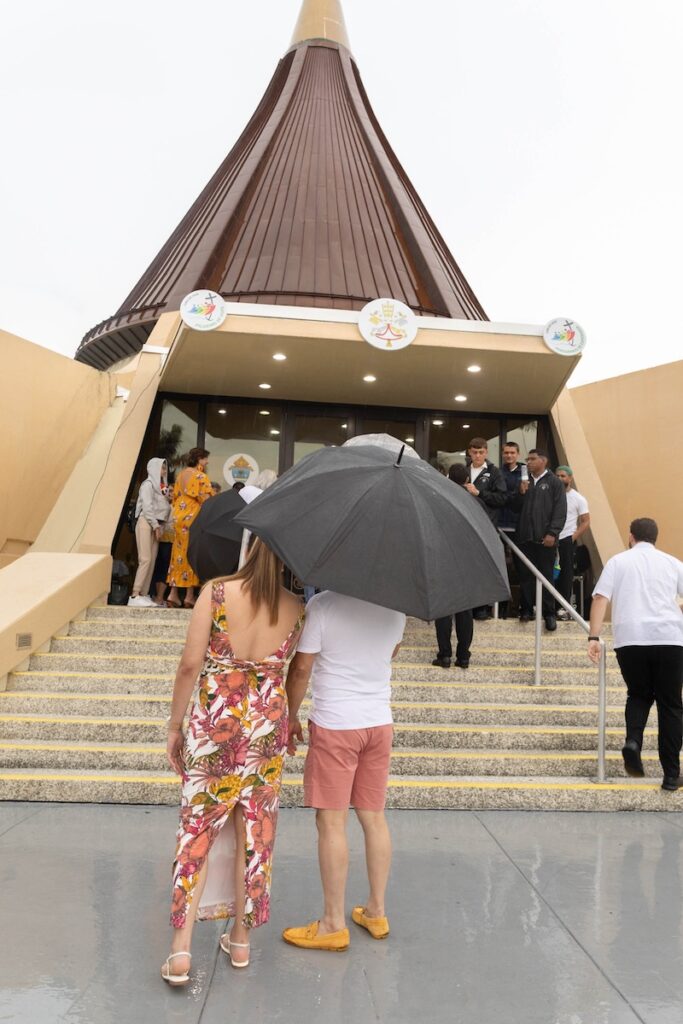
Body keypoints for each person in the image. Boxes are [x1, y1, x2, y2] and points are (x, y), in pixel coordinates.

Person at [161, 539, 304, 986]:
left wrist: (174, 724)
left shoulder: (217, 592)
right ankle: (240, 941)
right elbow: (297, 671)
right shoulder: (298, 607)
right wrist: (292, 717)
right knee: (254, 833)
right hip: (266, 722)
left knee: (197, 831)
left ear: (250, 547)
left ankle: (181, 952)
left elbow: (189, 665)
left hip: (215, 719)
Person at [282, 592, 406, 951]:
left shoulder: (323, 605)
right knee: (374, 818)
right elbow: (390, 653)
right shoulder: (396, 608)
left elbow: (302, 667)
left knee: (332, 823)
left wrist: (290, 715)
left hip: (337, 723)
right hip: (379, 723)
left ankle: (333, 923)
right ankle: (376, 910)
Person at [588, 518, 683, 791]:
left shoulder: (618, 562)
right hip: (669, 638)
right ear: (656, 537)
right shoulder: (671, 563)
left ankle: (633, 742)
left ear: (631, 537)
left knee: (639, 694)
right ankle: (670, 775)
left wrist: (594, 637)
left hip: (630, 640)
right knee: (670, 705)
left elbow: (600, 598)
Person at [515, 449, 567, 631]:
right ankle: (526, 609)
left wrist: (552, 533)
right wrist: (520, 494)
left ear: (543, 461)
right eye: (527, 459)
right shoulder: (524, 481)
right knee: (525, 575)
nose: (528, 462)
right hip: (525, 538)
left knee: (546, 575)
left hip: (545, 540)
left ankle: (549, 613)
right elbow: (515, 507)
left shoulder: (554, 483)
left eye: (532, 459)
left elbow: (560, 511)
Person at [433, 463, 474, 669]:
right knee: (465, 612)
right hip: (467, 563)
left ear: (448, 478)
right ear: (467, 480)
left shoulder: (441, 499)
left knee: (444, 609)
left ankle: (445, 654)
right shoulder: (473, 502)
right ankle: (464, 656)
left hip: (445, 559)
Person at [464, 438, 507, 620]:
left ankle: (481, 608)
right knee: (465, 568)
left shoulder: (494, 472)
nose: (478, 455)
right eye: (475, 452)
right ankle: (464, 606)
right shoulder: (463, 471)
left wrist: (479, 493)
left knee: (483, 567)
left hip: (485, 527)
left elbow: (502, 498)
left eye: (481, 452)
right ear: (469, 452)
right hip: (464, 527)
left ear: (486, 452)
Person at [166, 448, 213, 609]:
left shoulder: (181, 475)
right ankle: (189, 596)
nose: (207, 462)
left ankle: (172, 594)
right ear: (199, 459)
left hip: (179, 517)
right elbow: (206, 500)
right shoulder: (200, 476)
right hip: (193, 517)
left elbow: (175, 497)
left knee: (178, 554)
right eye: (205, 459)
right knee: (192, 553)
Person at [128, 458, 171, 607]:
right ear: (153, 468)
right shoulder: (147, 485)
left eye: (165, 469)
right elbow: (147, 507)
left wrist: (161, 526)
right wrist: (155, 525)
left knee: (151, 560)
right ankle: (135, 593)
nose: (164, 471)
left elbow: (165, 509)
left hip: (157, 524)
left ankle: (143, 594)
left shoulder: (163, 487)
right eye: (161, 468)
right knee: (145, 558)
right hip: (147, 522)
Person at [555, 466, 591, 619]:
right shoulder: (551, 495)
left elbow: (585, 521)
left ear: (570, 478)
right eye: (557, 476)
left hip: (567, 540)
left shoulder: (578, 498)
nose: (560, 479)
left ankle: (563, 608)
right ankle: (546, 606)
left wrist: (573, 537)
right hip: (549, 539)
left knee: (566, 574)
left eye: (563, 476)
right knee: (548, 574)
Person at [499, 441, 524, 619]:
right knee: (500, 568)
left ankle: (521, 608)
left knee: (520, 568)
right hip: (499, 526)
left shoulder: (524, 472)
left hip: (518, 527)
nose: (509, 455)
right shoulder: (497, 472)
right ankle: (499, 609)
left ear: (518, 454)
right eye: (506, 452)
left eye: (512, 453)